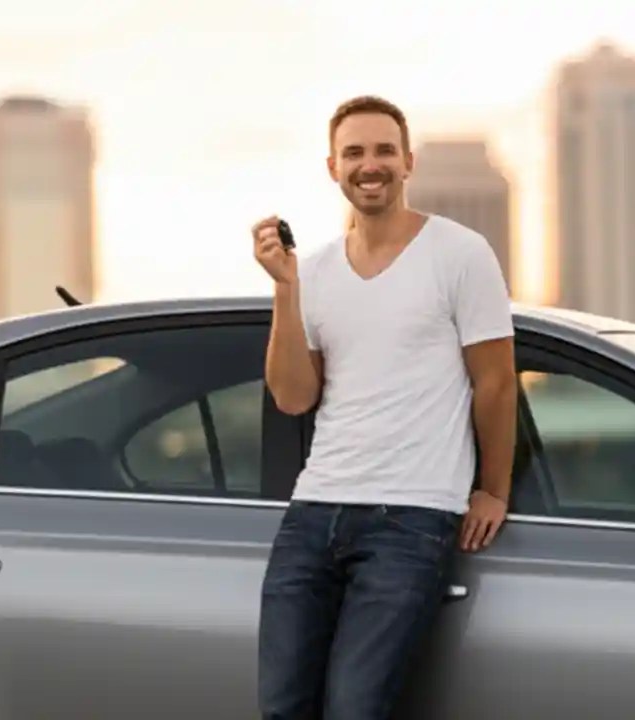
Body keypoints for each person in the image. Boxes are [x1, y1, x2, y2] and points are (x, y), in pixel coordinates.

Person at [250, 95, 517, 720]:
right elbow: (293, 396)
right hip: (313, 514)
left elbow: (497, 383)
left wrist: (494, 490)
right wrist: (285, 291)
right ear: (332, 167)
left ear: (407, 162)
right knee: (283, 708)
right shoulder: (310, 271)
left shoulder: (460, 253)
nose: (369, 165)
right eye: (354, 153)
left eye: (382, 151)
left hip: (412, 517)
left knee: (355, 708)